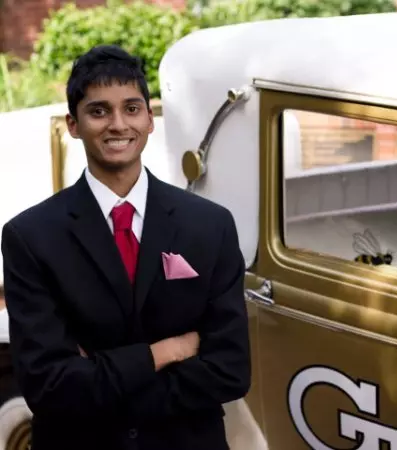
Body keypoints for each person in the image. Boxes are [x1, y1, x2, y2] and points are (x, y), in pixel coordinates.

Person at [1, 45, 250, 450]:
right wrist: (165, 352)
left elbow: (230, 371)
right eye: (99, 111)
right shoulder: (30, 237)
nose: (118, 124)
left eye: (131, 109)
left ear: (150, 119)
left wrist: (96, 378)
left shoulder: (210, 224)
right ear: (74, 124)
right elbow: (48, 388)